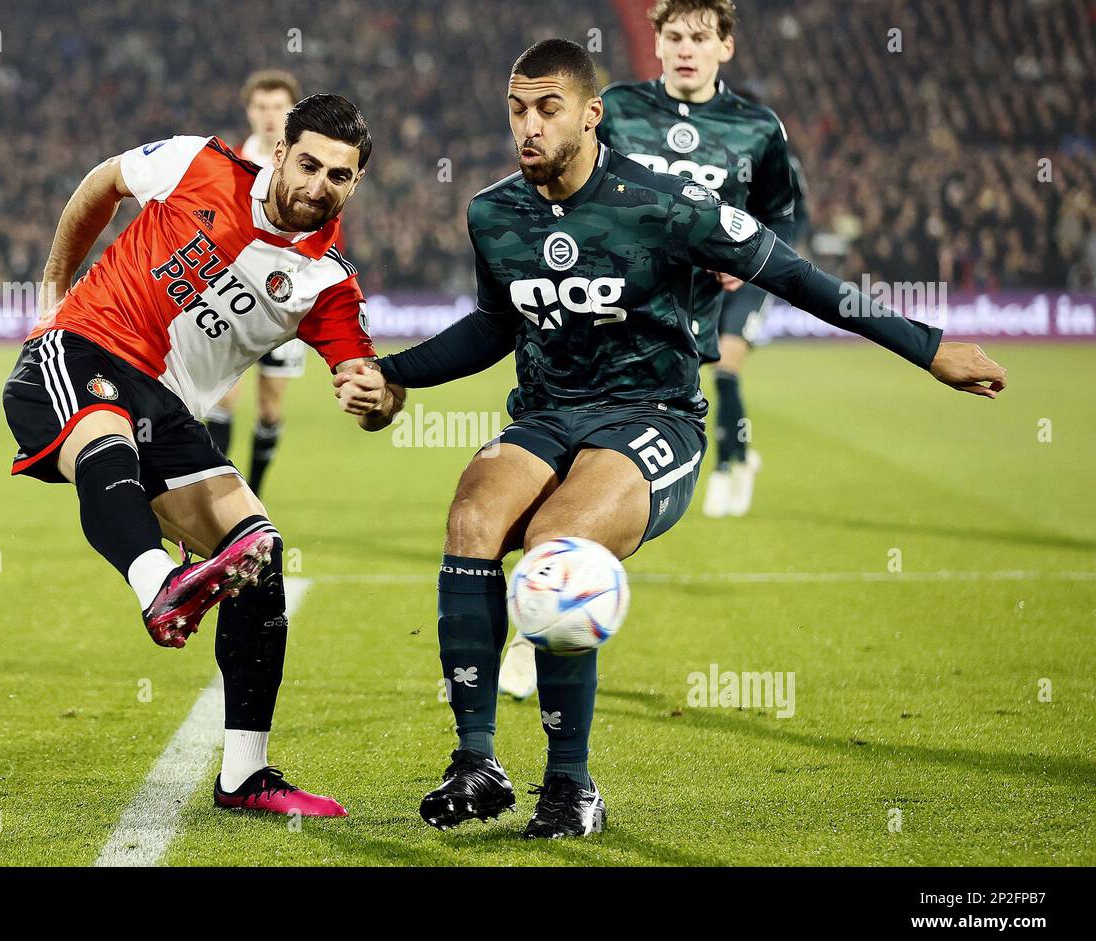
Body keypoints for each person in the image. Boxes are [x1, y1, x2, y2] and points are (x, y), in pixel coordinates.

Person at [334, 40, 1005, 839]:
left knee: (558, 545)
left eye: (548, 108)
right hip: (546, 415)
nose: (528, 125)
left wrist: (928, 347)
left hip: (654, 418)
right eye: (517, 108)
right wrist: (397, 374)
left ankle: (569, 786)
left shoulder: (669, 203)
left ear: (591, 115)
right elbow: (493, 325)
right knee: (471, 520)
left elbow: (795, 277)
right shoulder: (493, 211)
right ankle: (476, 760)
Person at [3, 94, 402, 817]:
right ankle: (158, 581)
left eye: (338, 178)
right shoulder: (200, 162)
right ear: (279, 154)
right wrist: (56, 285)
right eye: (307, 164)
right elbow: (104, 182)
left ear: (355, 184)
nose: (317, 186)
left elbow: (370, 384)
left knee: (258, 553)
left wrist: (379, 402)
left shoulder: (328, 283)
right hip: (83, 348)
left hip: (168, 410)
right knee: (105, 436)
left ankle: (244, 775)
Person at [498, 0, 800, 700]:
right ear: (656, 41)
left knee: (615, 466)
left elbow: (782, 215)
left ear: (726, 46)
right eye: (672, 35)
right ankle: (530, 627)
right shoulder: (620, 109)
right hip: (605, 307)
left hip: (687, 323)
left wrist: (746, 245)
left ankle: (729, 456)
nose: (685, 49)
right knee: (551, 458)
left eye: (700, 37)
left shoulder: (758, 129)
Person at [205, 69, 309, 496]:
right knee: (223, 400)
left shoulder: (307, 166)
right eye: (262, 107)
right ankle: (214, 500)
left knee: (269, 408)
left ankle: (255, 497)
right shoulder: (232, 164)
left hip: (286, 304)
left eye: (278, 107)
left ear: (293, 113)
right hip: (234, 299)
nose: (270, 116)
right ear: (249, 111)